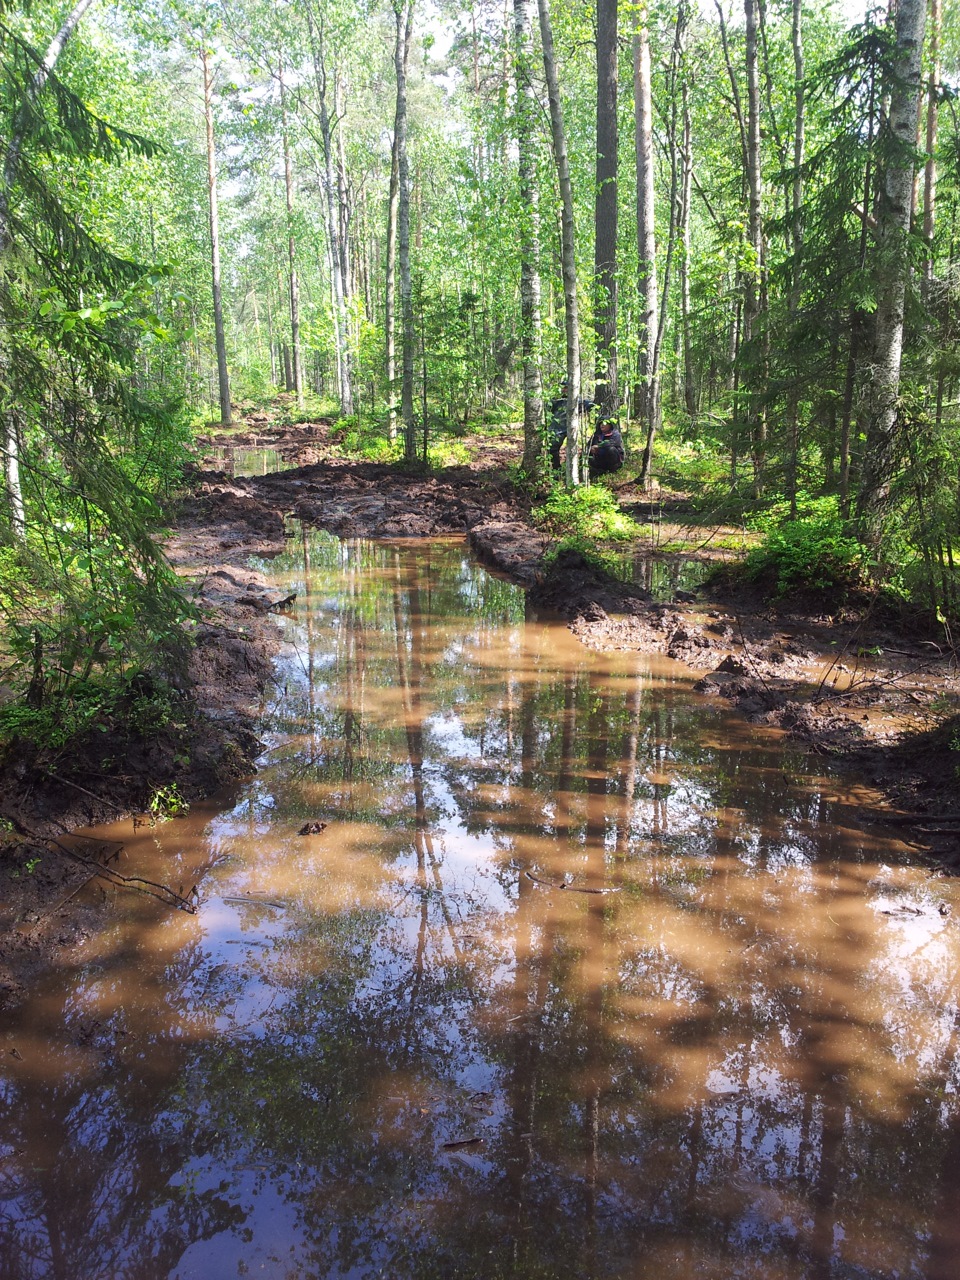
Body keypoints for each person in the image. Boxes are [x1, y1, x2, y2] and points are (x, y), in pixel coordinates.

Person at [547, 377, 594, 473]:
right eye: (563, 387)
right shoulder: (556, 400)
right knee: (553, 448)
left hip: (571, 429)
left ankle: (573, 470)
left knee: (572, 450)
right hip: (557, 429)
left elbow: (590, 405)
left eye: (566, 387)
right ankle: (557, 470)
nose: (564, 390)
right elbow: (548, 410)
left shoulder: (577, 400)